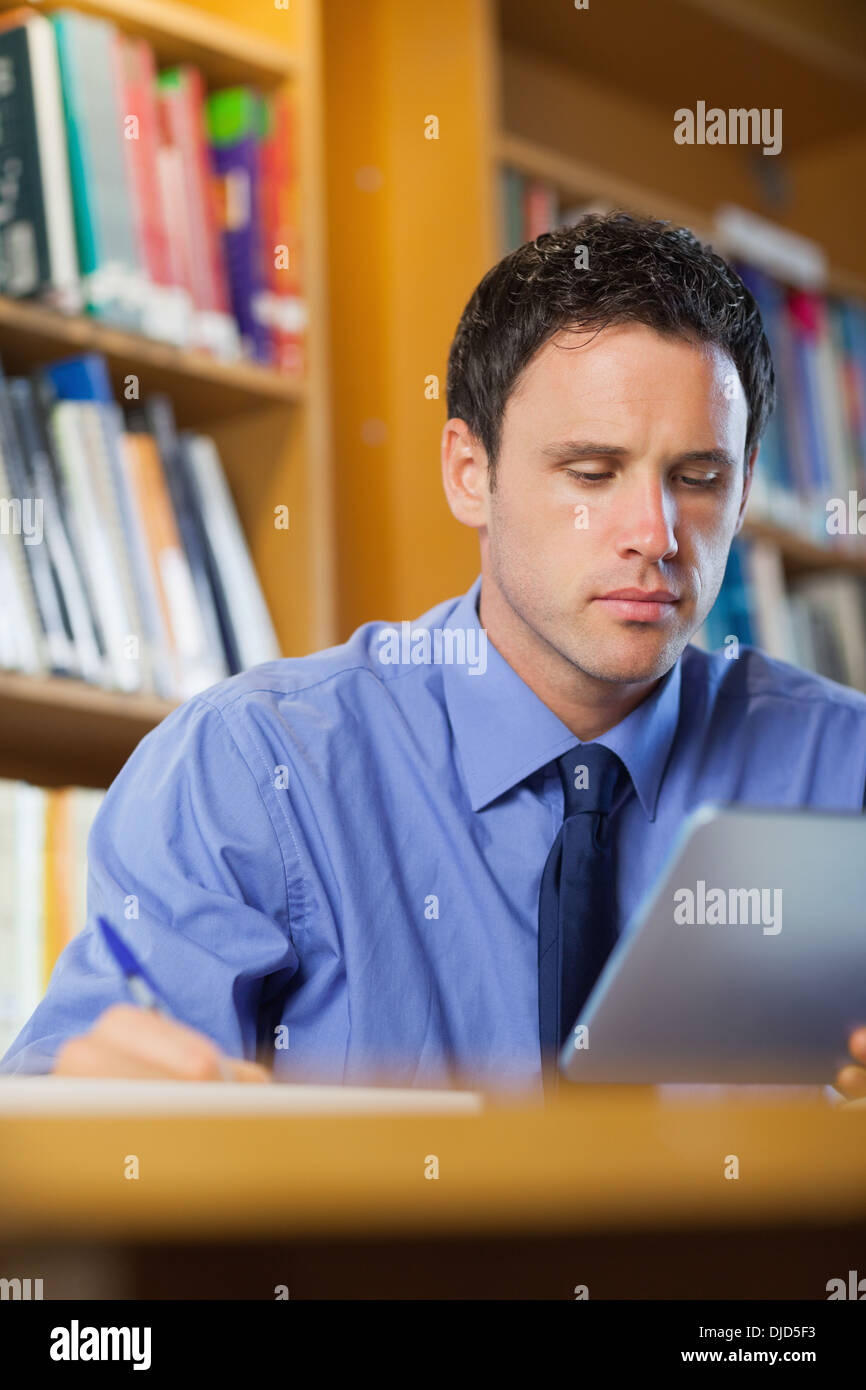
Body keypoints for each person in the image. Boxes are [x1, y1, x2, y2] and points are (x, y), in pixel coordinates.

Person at [3, 212, 865, 1097]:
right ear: (468, 473)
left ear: (744, 482)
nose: (655, 535)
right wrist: (89, 1118)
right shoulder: (250, 769)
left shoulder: (846, 770)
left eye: (697, 478)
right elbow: (73, 1128)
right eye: (591, 474)